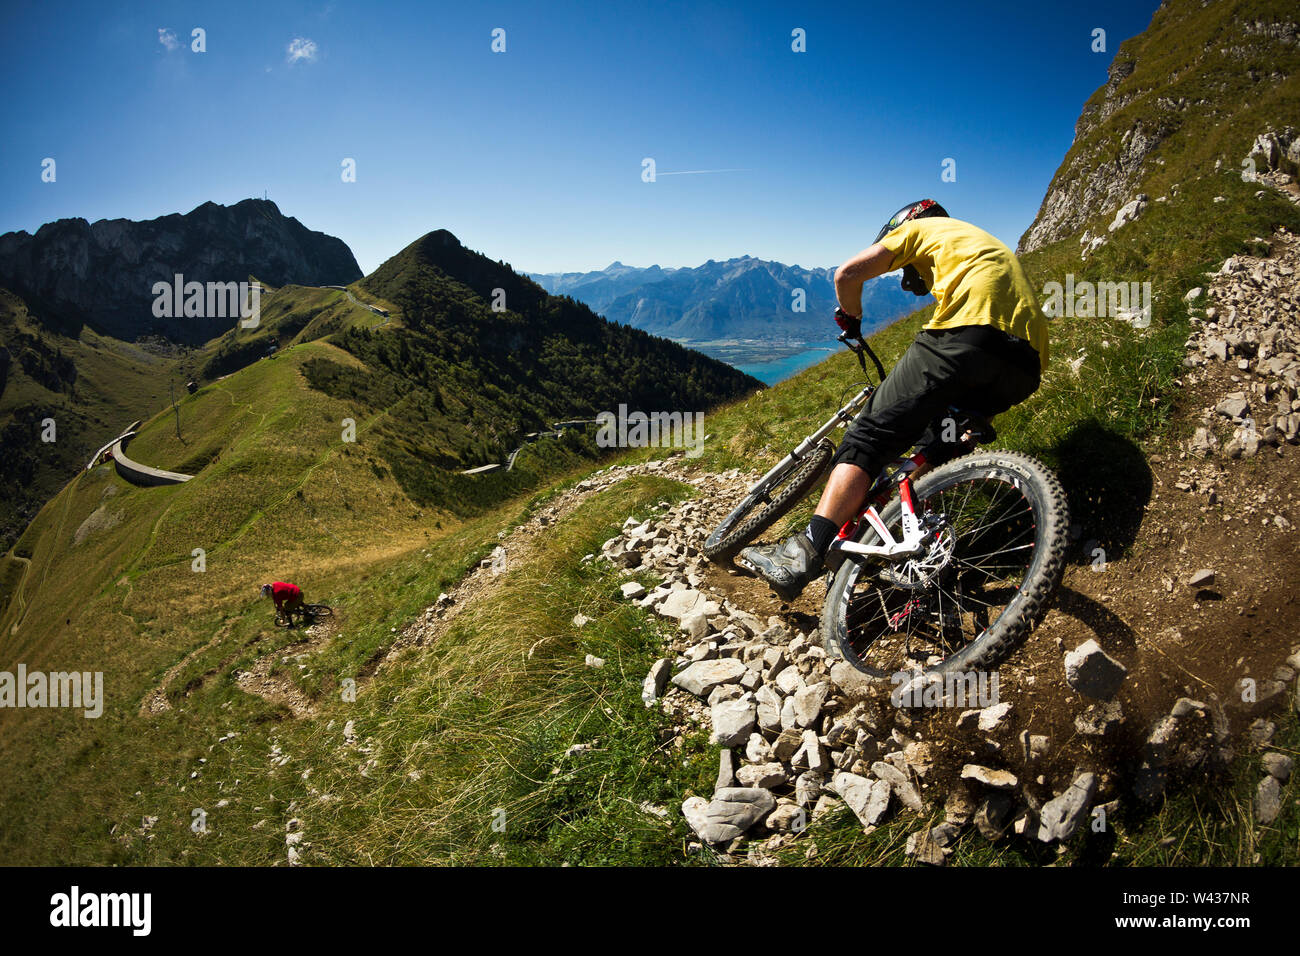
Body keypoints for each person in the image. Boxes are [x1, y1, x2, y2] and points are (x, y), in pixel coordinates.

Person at [739, 200, 1049, 601]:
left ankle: (803, 551)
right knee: (938, 437)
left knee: (868, 437)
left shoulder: (921, 230)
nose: (908, 275)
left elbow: (847, 273)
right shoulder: (981, 243)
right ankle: (903, 520)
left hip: (969, 335)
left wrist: (852, 317)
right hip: (1024, 367)